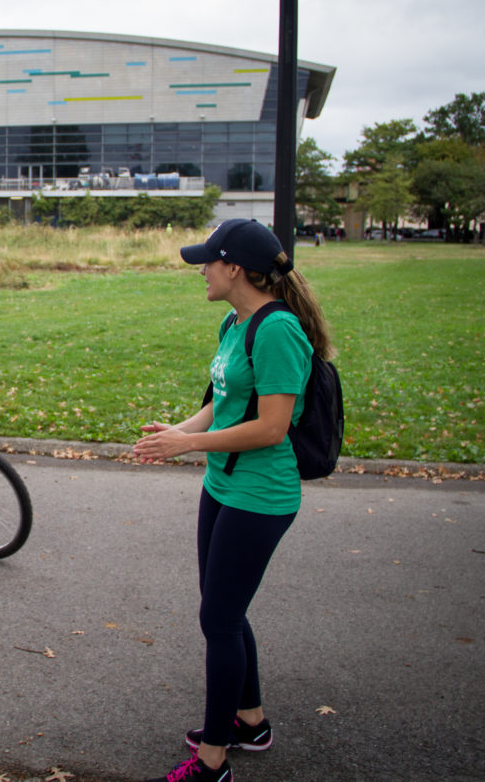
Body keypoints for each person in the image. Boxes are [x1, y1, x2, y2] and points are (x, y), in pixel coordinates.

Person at [132, 219, 334, 782]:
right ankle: (250, 721)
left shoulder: (277, 331)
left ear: (236, 269)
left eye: (208, 261)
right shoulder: (234, 321)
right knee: (224, 611)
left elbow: (272, 427)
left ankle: (214, 760)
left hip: (261, 493)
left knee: (218, 619)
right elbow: (222, 402)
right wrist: (177, 433)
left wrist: (189, 443)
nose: (202, 269)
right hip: (222, 484)